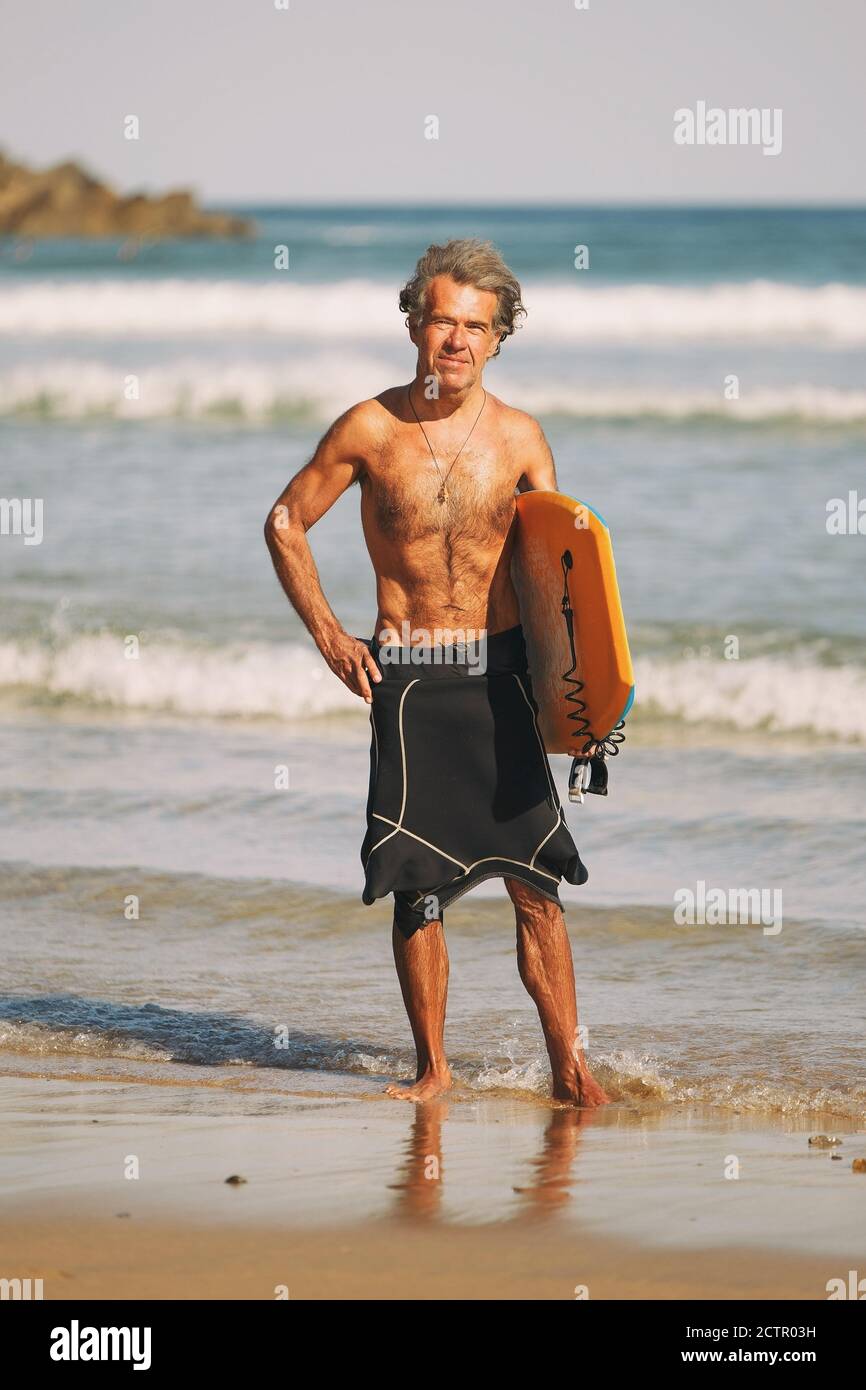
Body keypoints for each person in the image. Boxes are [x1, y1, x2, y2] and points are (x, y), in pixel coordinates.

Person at [265, 239, 609, 1108]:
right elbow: (284, 522)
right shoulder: (369, 431)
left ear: (498, 340)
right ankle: (433, 1071)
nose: (456, 339)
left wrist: (579, 700)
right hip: (411, 679)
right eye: (442, 320)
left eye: (475, 327)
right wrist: (330, 636)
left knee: (536, 883)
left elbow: (557, 575)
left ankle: (570, 1067)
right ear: (415, 323)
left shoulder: (523, 439)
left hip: (503, 679)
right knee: (418, 890)